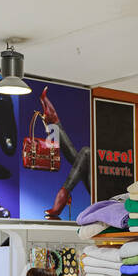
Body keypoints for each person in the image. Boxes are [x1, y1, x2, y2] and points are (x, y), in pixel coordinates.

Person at [37, 86, 92, 219]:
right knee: (85, 158)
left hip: (109, 201)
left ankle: (54, 121)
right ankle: (54, 121)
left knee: (86, 154)